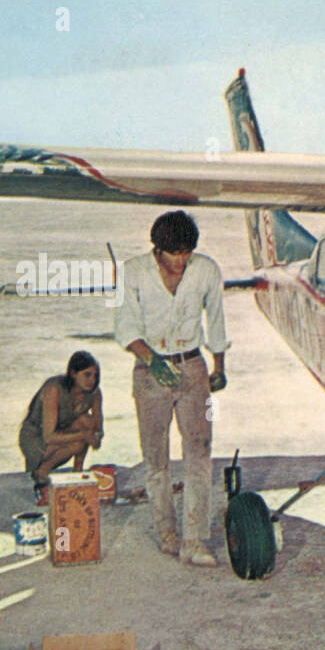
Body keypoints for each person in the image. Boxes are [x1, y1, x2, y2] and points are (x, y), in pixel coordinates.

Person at [114, 211, 227, 567]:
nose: (180, 261)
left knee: (199, 453)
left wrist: (219, 365)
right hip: (150, 371)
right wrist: (152, 361)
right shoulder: (133, 272)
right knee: (155, 457)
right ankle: (167, 533)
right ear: (157, 249)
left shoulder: (206, 270)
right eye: (173, 253)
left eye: (186, 253)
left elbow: (217, 319)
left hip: (193, 367)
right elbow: (125, 327)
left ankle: (194, 539)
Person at [19, 350, 104, 491]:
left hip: (61, 433)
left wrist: (97, 437)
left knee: (88, 422)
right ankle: (42, 471)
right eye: (87, 375)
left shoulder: (94, 393)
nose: (92, 380)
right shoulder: (54, 389)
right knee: (79, 442)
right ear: (73, 373)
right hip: (35, 438)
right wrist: (84, 436)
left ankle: (78, 471)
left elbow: (97, 426)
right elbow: (49, 437)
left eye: (95, 376)